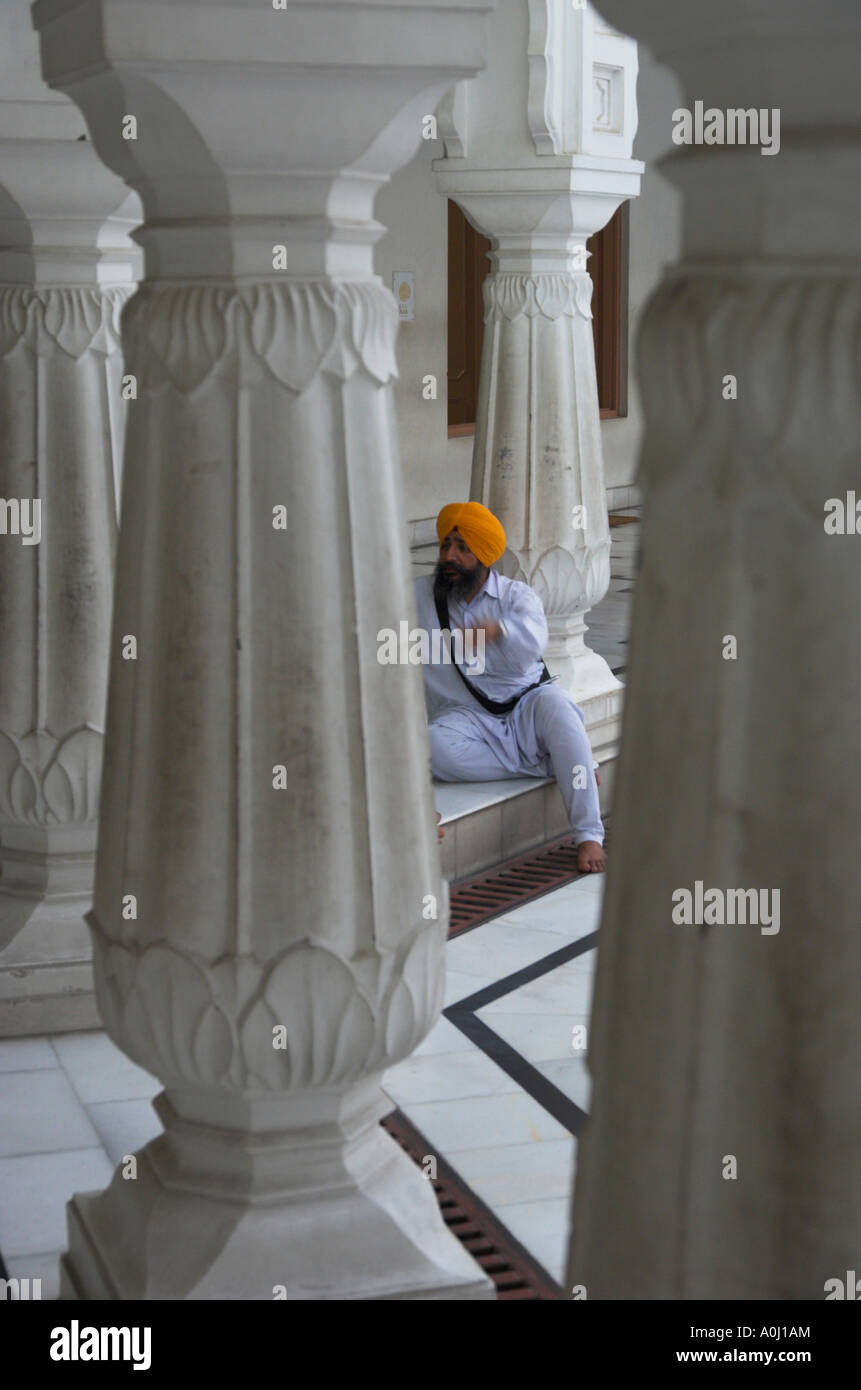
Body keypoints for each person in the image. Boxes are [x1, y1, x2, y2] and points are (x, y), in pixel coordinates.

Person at [416, 501, 606, 873]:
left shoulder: (516, 597)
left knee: (562, 712)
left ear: (484, 555)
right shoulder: (421, 596)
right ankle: (548, 766)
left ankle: (588, 834)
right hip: (465, 716)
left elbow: (532, 644)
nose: (450, 556)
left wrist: (500, 630)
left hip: (526, 706)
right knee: (434, 746)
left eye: (462, 548)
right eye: (446, 545)